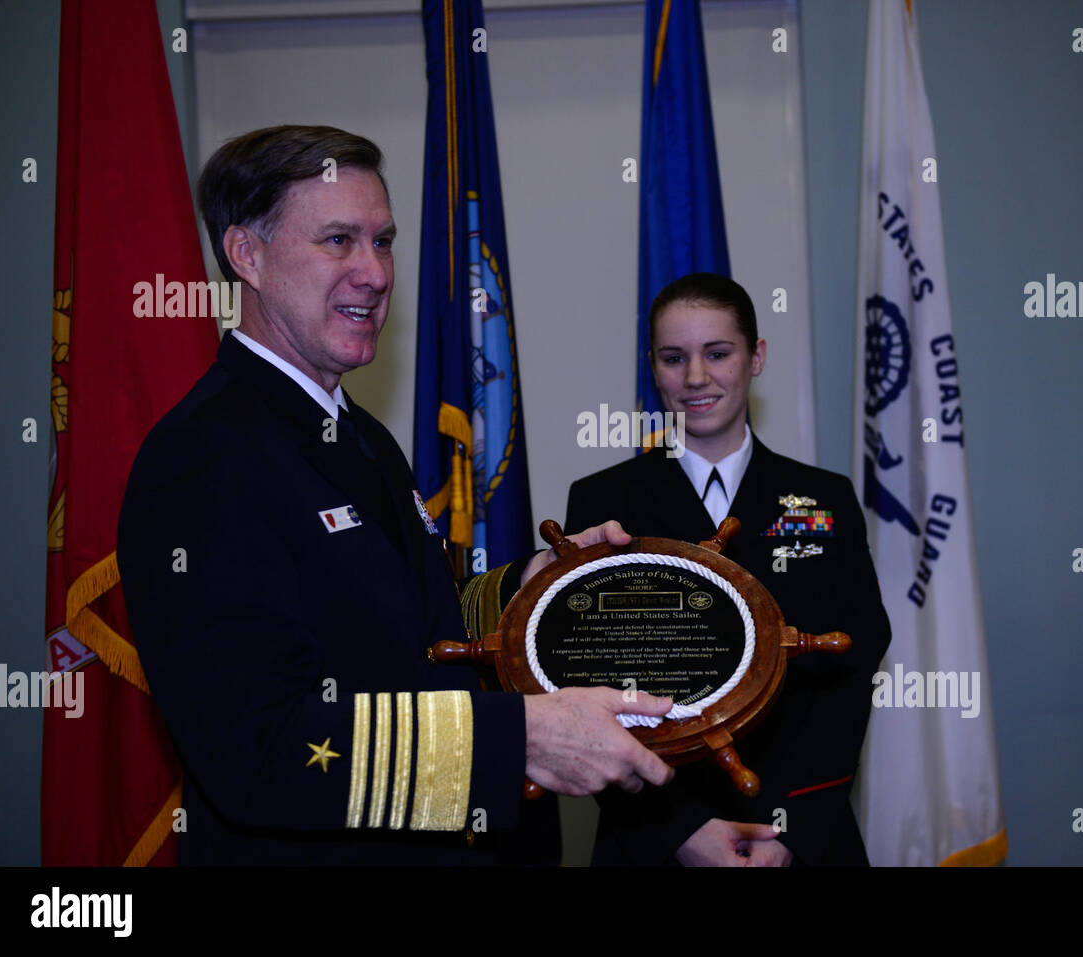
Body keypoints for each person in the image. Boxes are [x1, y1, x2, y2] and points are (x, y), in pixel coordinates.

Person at [116, 125, 673, 865]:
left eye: (383, 241)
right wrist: (521, 738)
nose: (375, 273)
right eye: (339, 240)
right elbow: (263, 750)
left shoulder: (361, 435)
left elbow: (399, 629)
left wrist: (523, 591)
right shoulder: (202, 457)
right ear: (246, 254)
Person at [564, 273, 891, 866]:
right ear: (653, 366)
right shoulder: (601, 505)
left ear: (756, 356)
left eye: (717, 353)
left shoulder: (824, 499)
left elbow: (853, 665)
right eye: (673, 358)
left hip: (804, 833)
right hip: (655, 836)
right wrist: (683, 830)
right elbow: (587, 690)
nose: (695, 377)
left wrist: (791, 829)